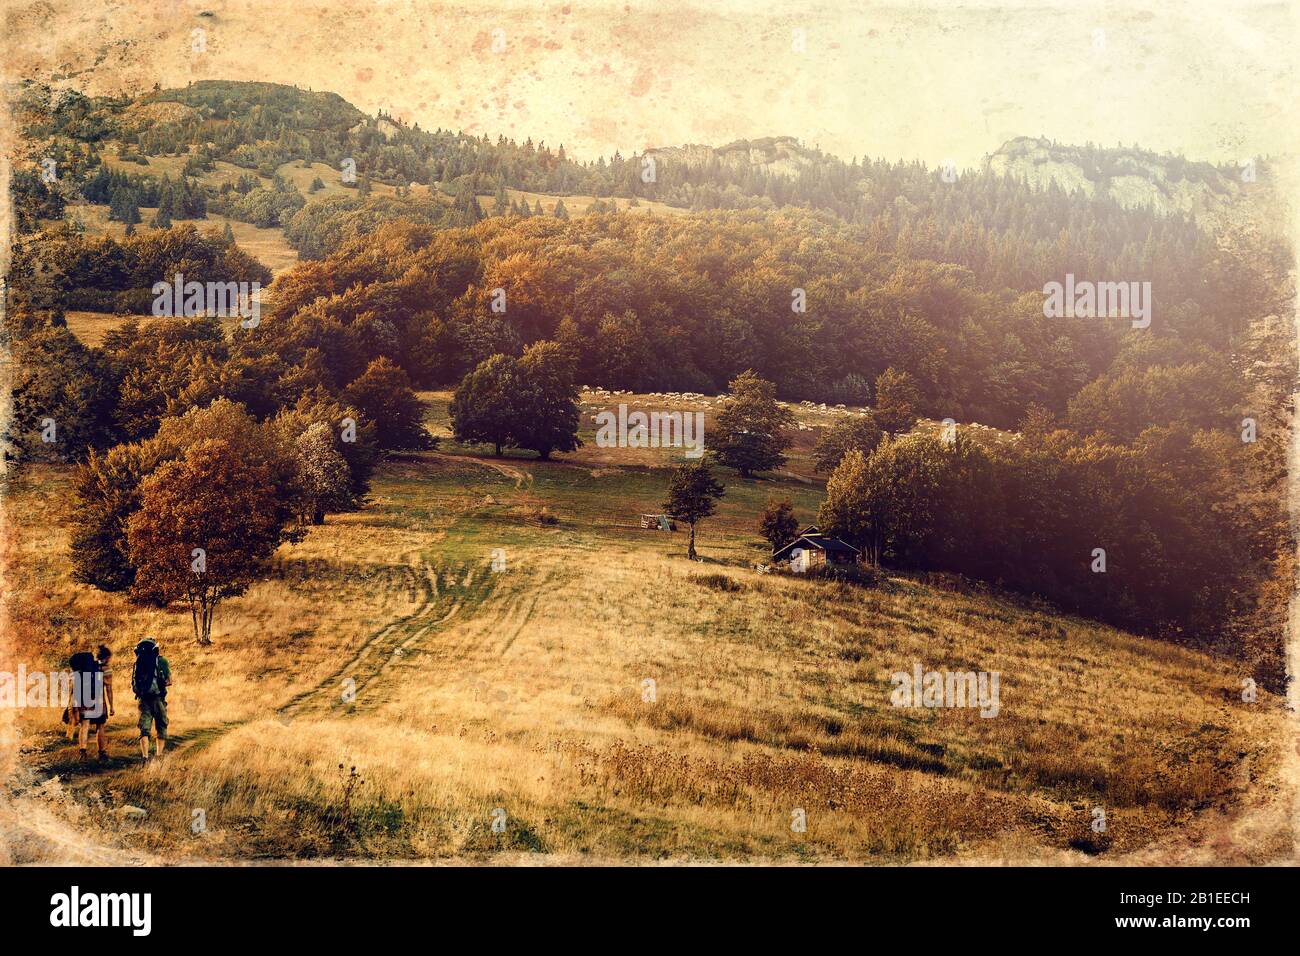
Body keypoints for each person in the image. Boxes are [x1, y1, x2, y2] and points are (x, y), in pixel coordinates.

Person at [132, 639, 172, 763]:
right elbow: (169, 681)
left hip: (143, 699)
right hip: (158, 698)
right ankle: (159, 756)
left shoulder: (138, 663)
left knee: (144, 729)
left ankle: (145, 757)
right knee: (161, 726)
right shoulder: (162, 661)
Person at [86, 644, 115, 760]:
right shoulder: (106, 669)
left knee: (84, 726)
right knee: (100, 727)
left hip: (86, 700)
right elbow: (108, 689)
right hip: (99, 701)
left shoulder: (89, 667)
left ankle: (83, 752)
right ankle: (102, 753)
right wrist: (112, 706)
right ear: (107, 657)